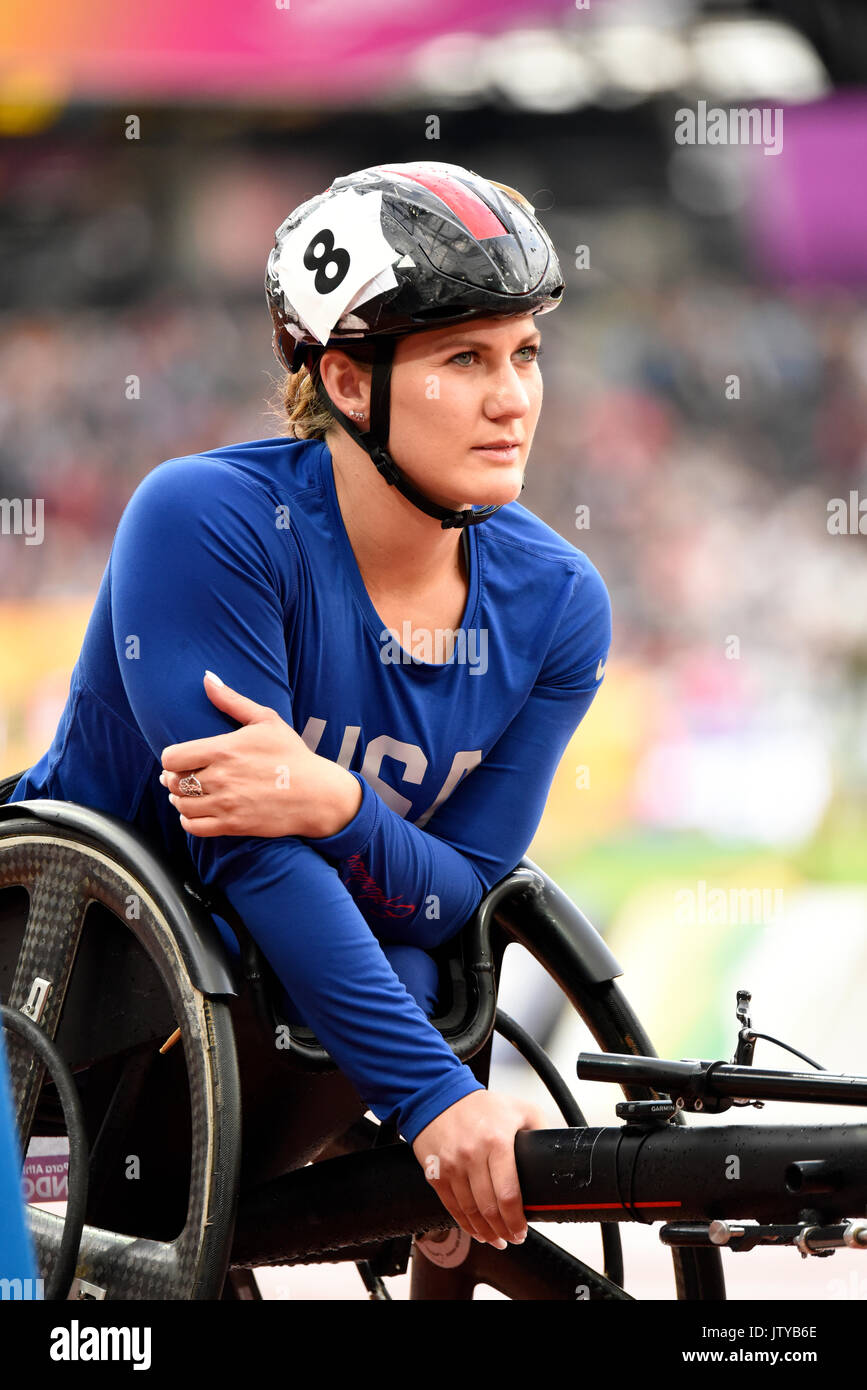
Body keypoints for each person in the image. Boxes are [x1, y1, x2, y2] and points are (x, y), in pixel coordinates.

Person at [9, 161, 611, 1254]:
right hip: (58, 1015)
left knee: (427, 968)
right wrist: (436, 1102)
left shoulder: (562, 606)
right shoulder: (204, 520)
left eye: (525, 353)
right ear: (346, 379)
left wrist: (334, 802)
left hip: (257, 1037)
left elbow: (449, 904)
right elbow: (244, 853)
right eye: (465, 358)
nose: (513, 395)